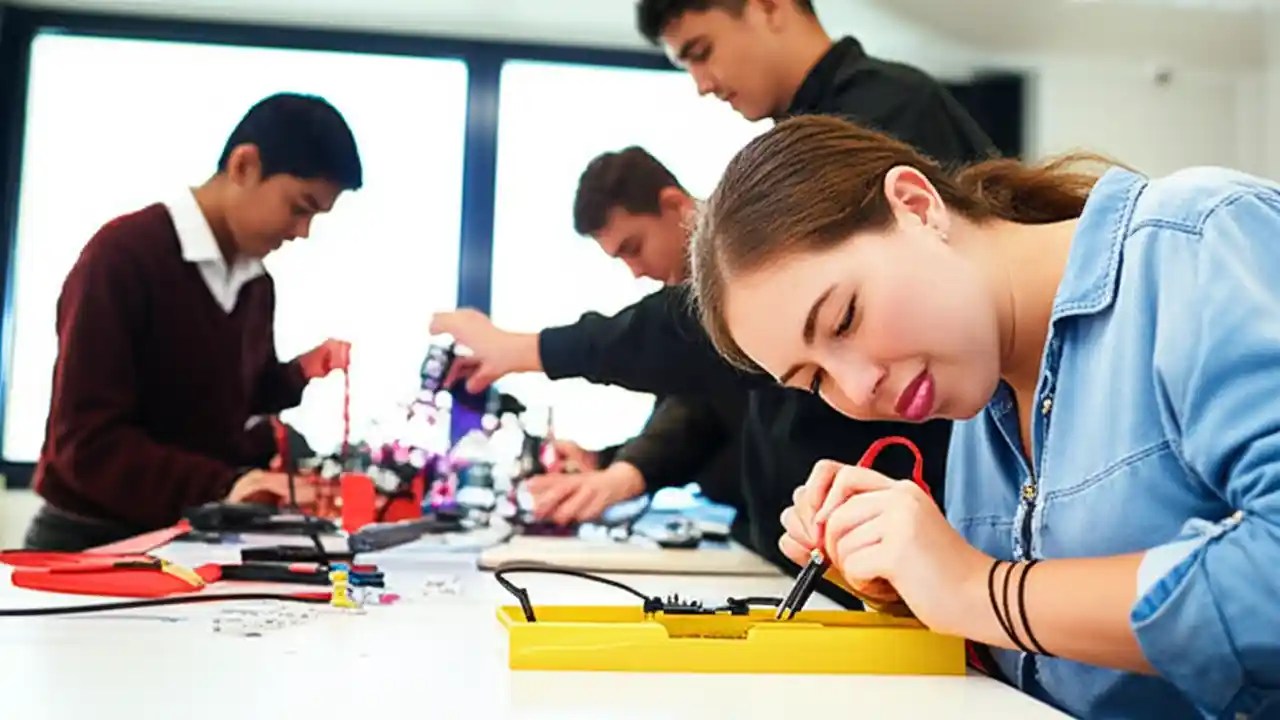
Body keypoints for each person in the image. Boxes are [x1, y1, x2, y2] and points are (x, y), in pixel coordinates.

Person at [688, 112, 1280, 718]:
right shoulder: (977, 399)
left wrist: (977, 589)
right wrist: (911, 588)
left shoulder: (1203, 238)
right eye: (815, 380)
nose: (860, 388)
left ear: (917, 207)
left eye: (845, 319)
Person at [431, 0, 994, 594]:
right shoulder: (809, 139)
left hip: (903, 556)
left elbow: (702, 328)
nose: (701, 85)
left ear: (768, 8)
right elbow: (719, 382)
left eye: (701, 51)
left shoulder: (884, 111)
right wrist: (624, 464)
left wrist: (536, 349)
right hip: (825, 555)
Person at [24, 92, 362, 552]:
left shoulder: (255, 284)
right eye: (300, 208)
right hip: (91, 542)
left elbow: (231, 403)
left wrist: (299, 372)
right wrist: (229, 485)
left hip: (186, 539)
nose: (301, 232)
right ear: (244, 166)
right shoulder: (122, 257)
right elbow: (87, 445)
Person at [438, 147, 750, 542]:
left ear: (675, 205)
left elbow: (656, 335)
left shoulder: (739, 279)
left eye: (633, 247)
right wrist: (608, 464)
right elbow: (699, 412)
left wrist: (525, 350)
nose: (636, 271)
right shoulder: (708, 343)